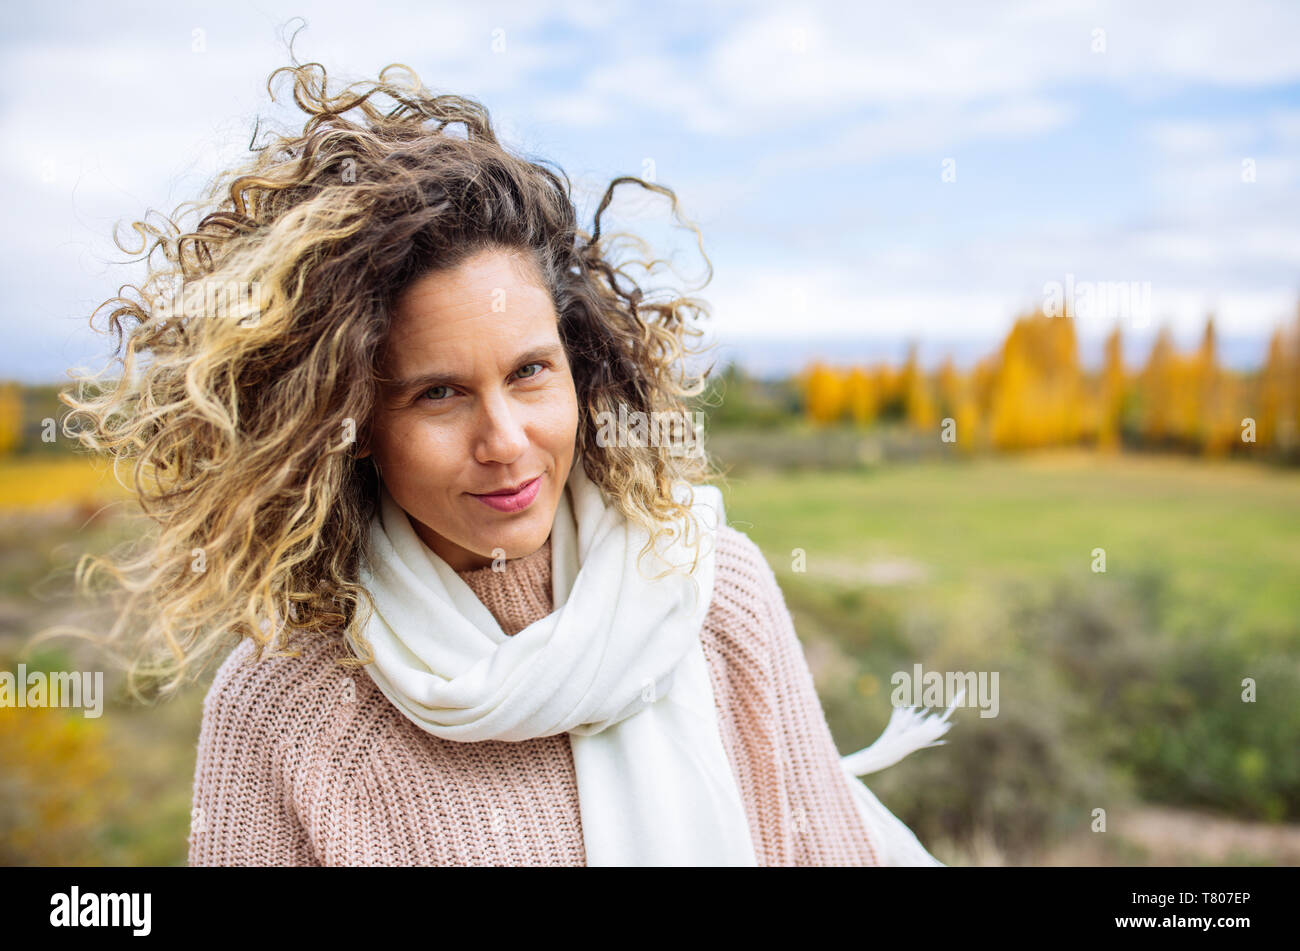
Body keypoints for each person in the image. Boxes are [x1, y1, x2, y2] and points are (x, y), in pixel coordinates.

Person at [64, 57, 949, 866]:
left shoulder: (713, 594)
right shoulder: (288, 712)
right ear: (351, 419)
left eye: (529, 373)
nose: (505, 442)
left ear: (581, 366)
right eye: (437, 394)